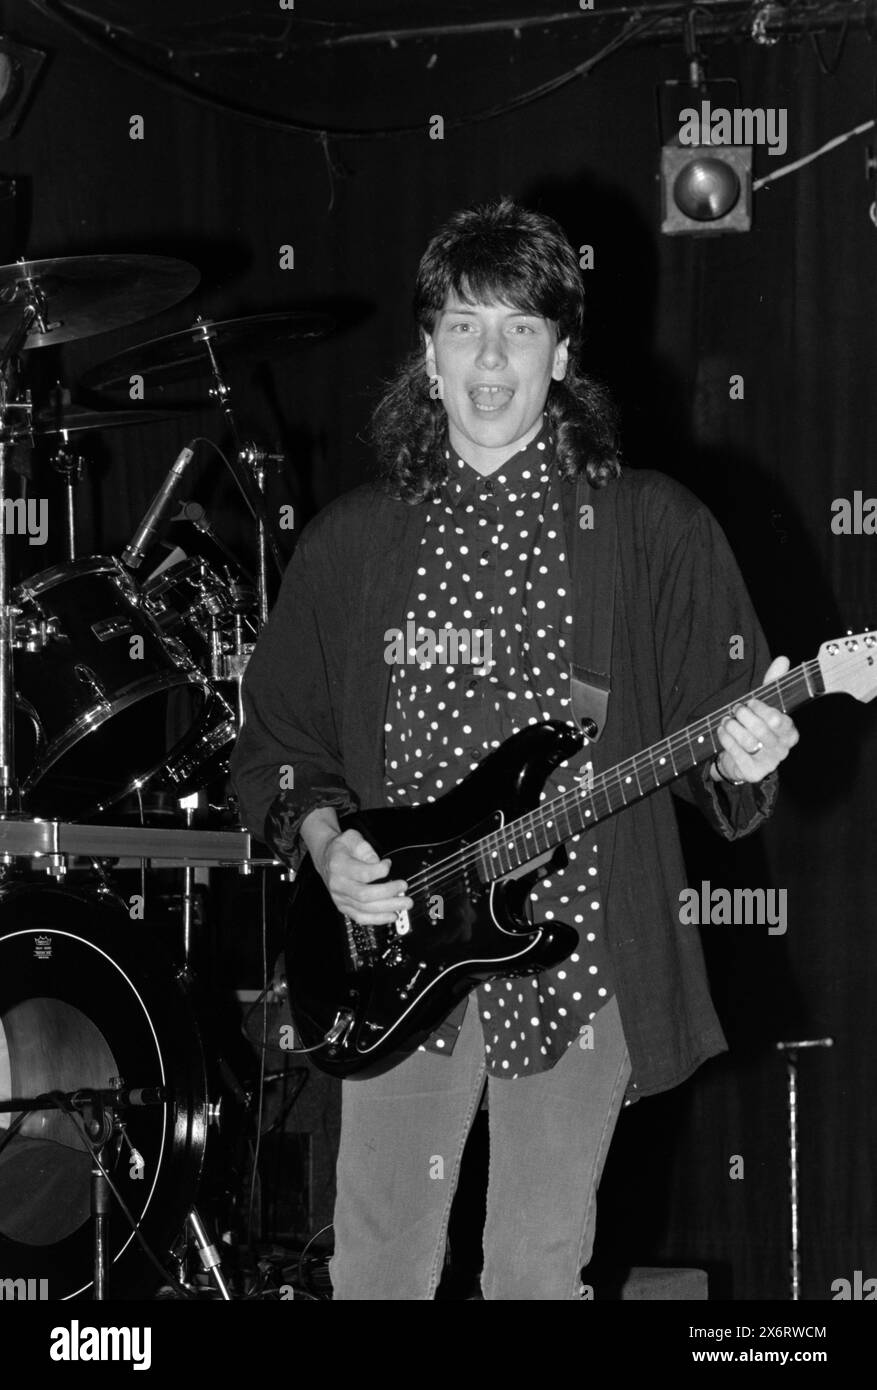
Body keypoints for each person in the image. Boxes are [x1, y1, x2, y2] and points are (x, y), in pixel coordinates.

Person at [230, 197, 799, 1301]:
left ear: (562, 353)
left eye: (519, 330)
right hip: (395, 957)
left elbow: (718, 742)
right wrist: (324, 835)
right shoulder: (348, 544)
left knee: (535, 1275)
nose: (490, 360)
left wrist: (743, 750)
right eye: (461, 327)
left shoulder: (650, 527)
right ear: (427, 354)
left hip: (578, 950)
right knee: (378, 1270)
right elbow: (279, 742)